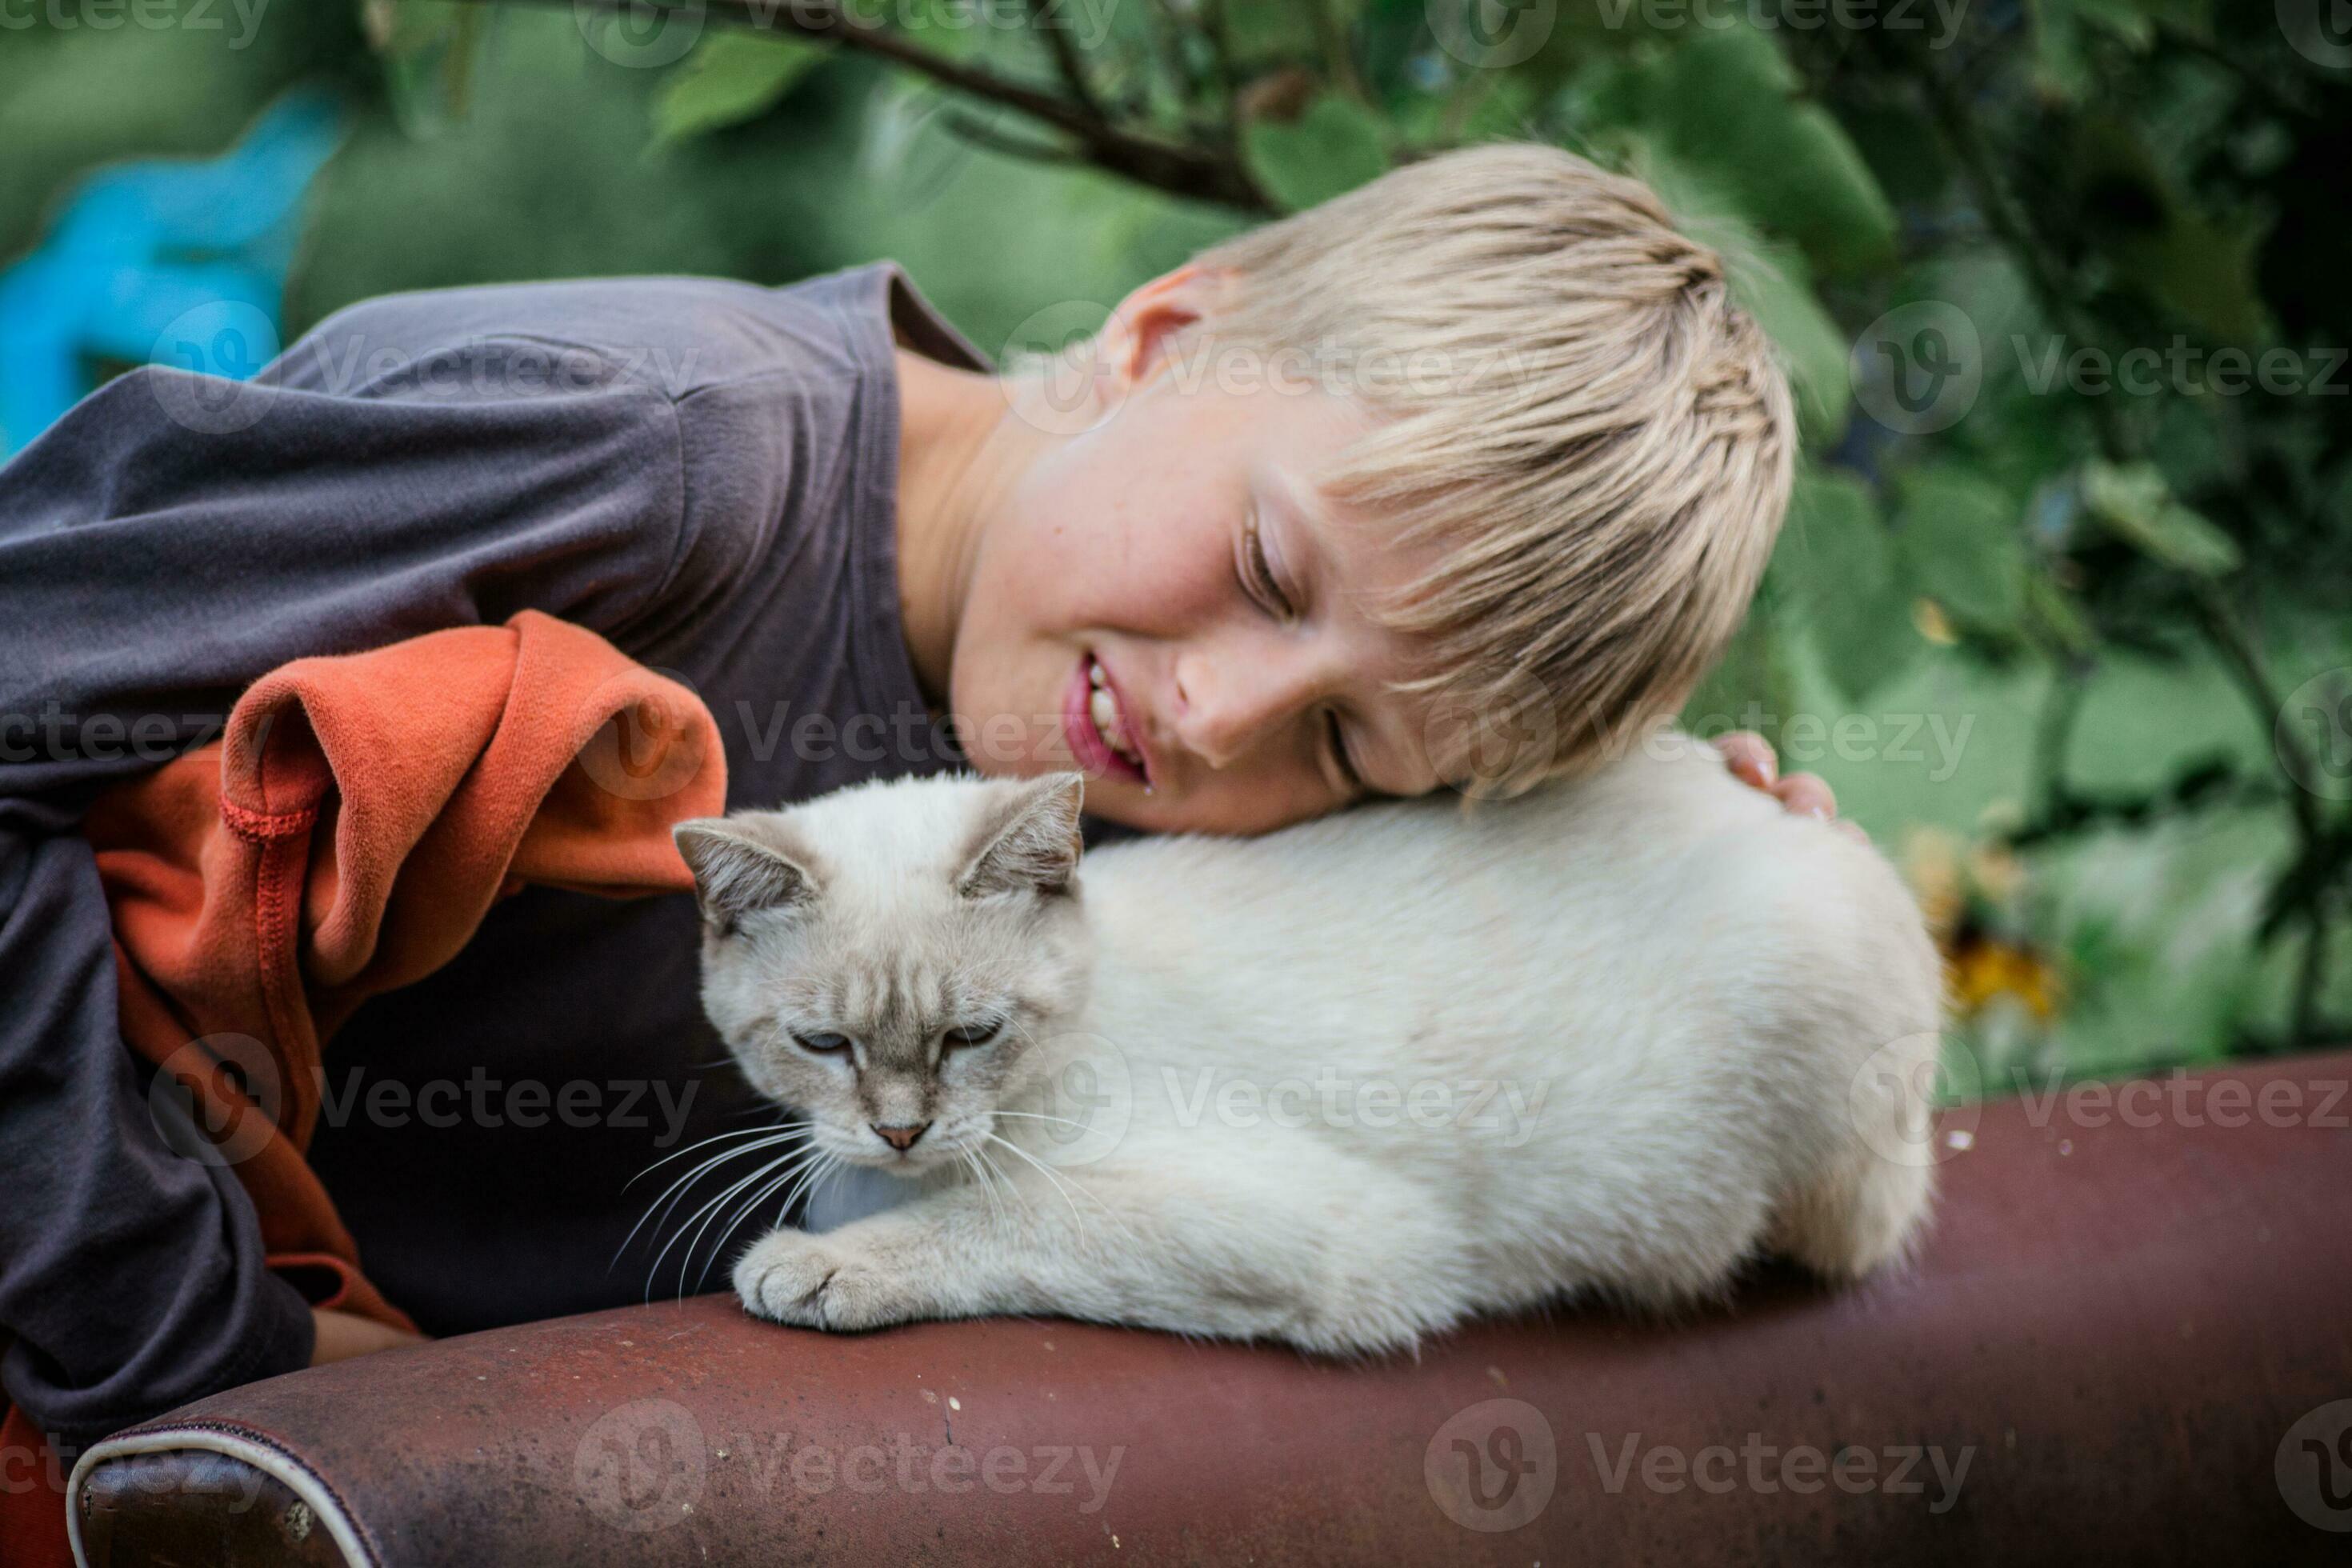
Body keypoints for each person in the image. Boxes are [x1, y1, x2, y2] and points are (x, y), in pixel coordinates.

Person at [0, 142, 1839, 1460]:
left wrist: (1669, 894)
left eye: (1352, 749)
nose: (1218, 716)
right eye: (1271, 570)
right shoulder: (648, 449)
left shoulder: (1132, 790)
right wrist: (209, 1371)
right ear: (1162, 332)